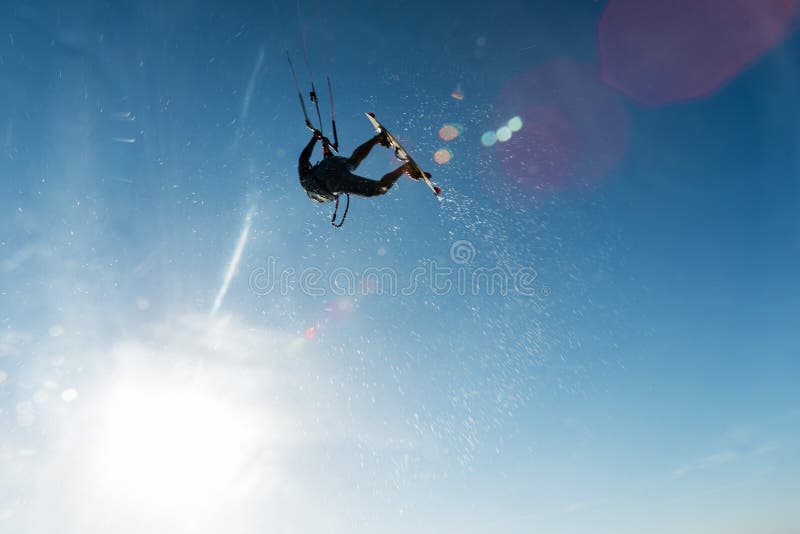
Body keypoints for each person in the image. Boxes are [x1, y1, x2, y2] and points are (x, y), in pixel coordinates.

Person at [298, 129, 427, 203]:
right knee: (352, 162)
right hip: (332, 167)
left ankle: (406, 167)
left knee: (378, 189)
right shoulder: (304, 181)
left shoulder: (315, 189)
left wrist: (318, 141)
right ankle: (378, 138)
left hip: (335, 184)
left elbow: (304, 160)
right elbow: (303, 159)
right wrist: (315, 139)